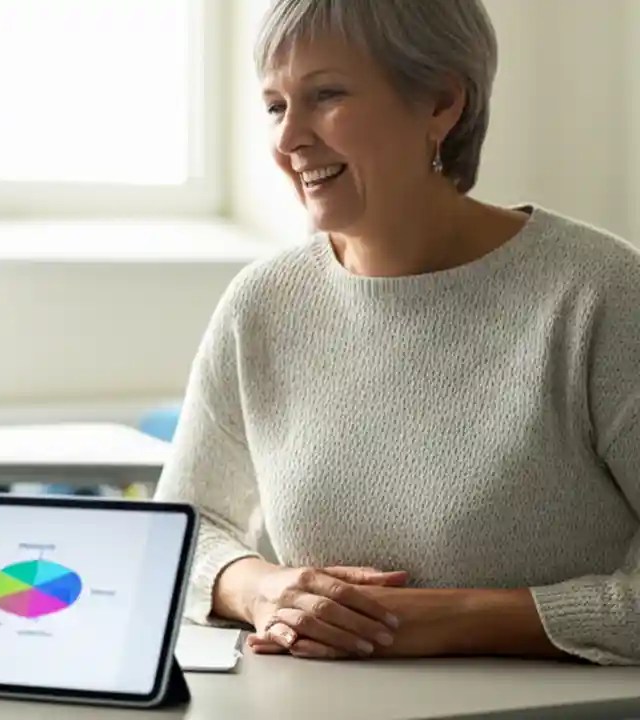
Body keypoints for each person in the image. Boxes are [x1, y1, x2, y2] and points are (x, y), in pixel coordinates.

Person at [154, 0, 639, 666]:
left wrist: (463, 617)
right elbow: (181, 535)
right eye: (274, 106)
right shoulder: (260, 305)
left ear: (441, 102)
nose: (289, 138)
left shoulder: (600, 293)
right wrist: (267, 591)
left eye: (325, 95)